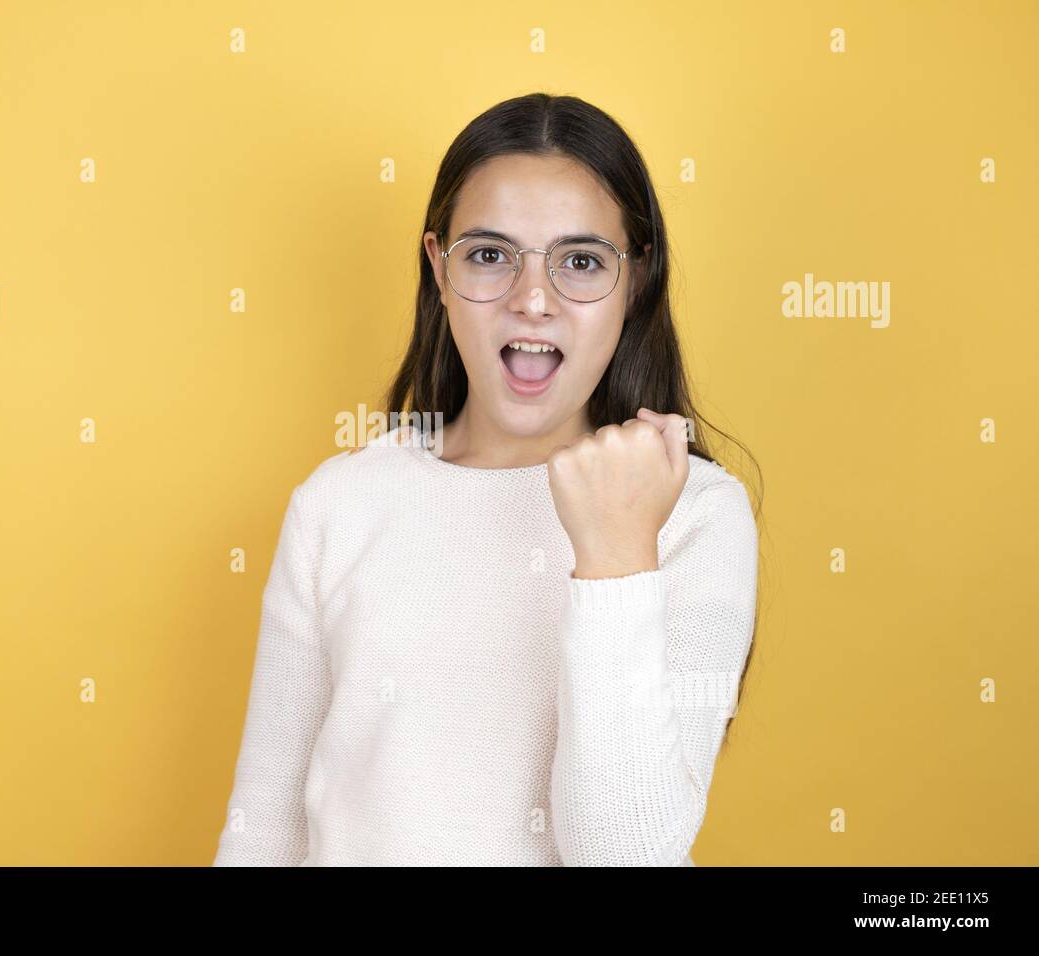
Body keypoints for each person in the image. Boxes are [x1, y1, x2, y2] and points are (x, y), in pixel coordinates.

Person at [214, 92, 763, 866]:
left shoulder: (697, 514)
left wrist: (615, 554)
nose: (532, 301)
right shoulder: (337, 505)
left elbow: (625, 854)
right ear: (439, 268)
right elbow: (261, 830)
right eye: (489, 255)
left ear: (635, 282)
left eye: (580, 262)